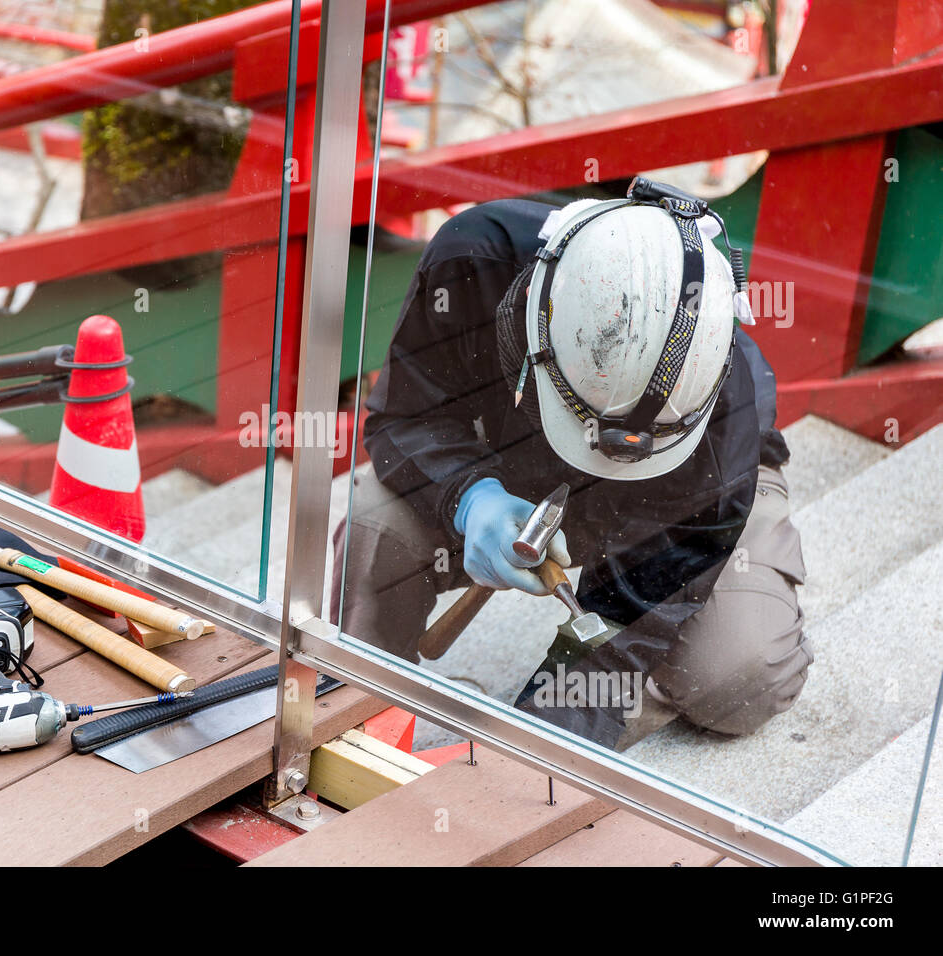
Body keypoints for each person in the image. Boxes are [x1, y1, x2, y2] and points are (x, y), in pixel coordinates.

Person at [331, 179, 811, 749]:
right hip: (507, 464)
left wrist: (540, 739)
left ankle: (641, 688)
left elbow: (614, 643)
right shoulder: (475, 260)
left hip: (681, 496)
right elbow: (405, 419)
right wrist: (468, 497)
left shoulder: (729, 407)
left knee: (739, 677)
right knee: (377, 529)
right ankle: (359, 711)